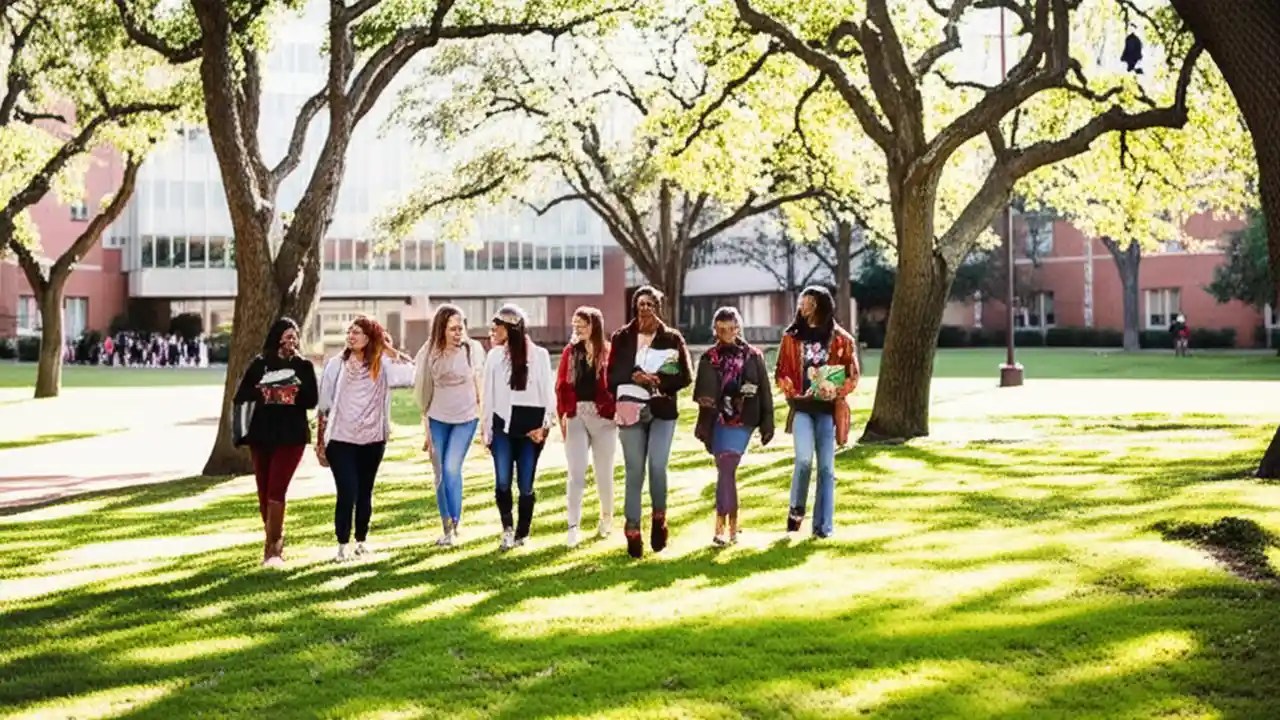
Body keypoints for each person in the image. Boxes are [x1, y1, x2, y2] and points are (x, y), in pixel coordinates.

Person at [317, 316, 416, 562]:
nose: (351, 336)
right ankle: (342, 545)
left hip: (372, 440)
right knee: (347, 491)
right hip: (341, 440)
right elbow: (324, 405)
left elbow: (414, 373)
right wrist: (320, 441)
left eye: (358, 332)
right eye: (349, 332)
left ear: (370, 338)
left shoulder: (382, 365)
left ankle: (361, 540)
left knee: (364, 492)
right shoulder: (335, 365)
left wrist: (390, 349)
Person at [606, 285, 693, 559]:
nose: (645, 308)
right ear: (635, 306)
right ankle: (632, 529)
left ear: (658, 307)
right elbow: (612, 376)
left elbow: (685, 376)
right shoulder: (622, 337)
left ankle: (659, 519)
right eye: (641, 303)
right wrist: (635, 376)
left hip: (662, 409)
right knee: (634, 471)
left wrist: (660, 381)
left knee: (657, 465)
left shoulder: (671, 338)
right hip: (631, 408)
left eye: (650, 303)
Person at [232, 317, 318, 567]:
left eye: (295, 336)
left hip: (292, 437)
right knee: (263, 491)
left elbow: (312, 399)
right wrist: (265, 391)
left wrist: (291, 393)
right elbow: (242, 396)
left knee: (277, 489)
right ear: (276, 338)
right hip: (262, 436)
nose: (291, 341)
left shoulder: (304, 366)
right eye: (286, 336)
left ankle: (275, 550)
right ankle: (269, 540)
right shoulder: (260, 364)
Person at [775, 286, 859, 539]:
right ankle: (796, 509)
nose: (803, 307)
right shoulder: (791, 337)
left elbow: (852, 375)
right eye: (802, 302)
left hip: (827, 411)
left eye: (809, 303)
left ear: (821, 306)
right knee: (803, 460)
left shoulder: (842, 340)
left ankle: (823, 527)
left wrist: (837, 390)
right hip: (802, 408)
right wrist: (789, 387)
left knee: (826, 468)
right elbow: (781, 371)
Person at [693, 307, 774, 546]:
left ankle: (725, 528)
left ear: (738, 328)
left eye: (731, 329)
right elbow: (701, 393)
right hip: (718, 421)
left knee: (727, 468)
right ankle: (728, 528)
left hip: (743, 421)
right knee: (725, 472)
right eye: (721, 330)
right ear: (715, 330)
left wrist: (767, 424)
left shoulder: (753, 356)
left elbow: (766, 392)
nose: (726, 333)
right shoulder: (709, 358)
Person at [482, 304, 556, 551]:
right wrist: (487, 431)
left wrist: (545, 427)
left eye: (498, 327)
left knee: (525, 484)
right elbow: (488, 396)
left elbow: (548, 396)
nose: (492, 331)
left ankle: (523, 532)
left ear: (511, 328)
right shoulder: (494, 357)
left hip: (529, 431)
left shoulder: (540, 356)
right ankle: (507, 529)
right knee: (503, 481)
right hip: (502, 428)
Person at [413, 304, 485, 547]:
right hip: (437, 417)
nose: (458, 333)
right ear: (441, 329)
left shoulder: (473, 350)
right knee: (440, 473)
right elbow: (423, 391)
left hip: (466, 417)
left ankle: (456, 522)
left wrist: (484, 420)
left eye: (460, 328)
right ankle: (447, 530)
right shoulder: (429, 352)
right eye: (452, 329)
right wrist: (426, 430)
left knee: (452, 468)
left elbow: (479, 387)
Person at [555, 306, 617, 547]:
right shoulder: (570, 353)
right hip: (577, 415)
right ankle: (573, 526)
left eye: (582, 324)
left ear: (595, 326)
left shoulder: (609, 352)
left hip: (604, 420)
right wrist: (564, 414)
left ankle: (606, 518)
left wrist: (613, 411)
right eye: (575, 325)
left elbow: (615, 384)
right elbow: (561, 385)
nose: (578, 329)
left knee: (604, 473)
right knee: (576, 472)